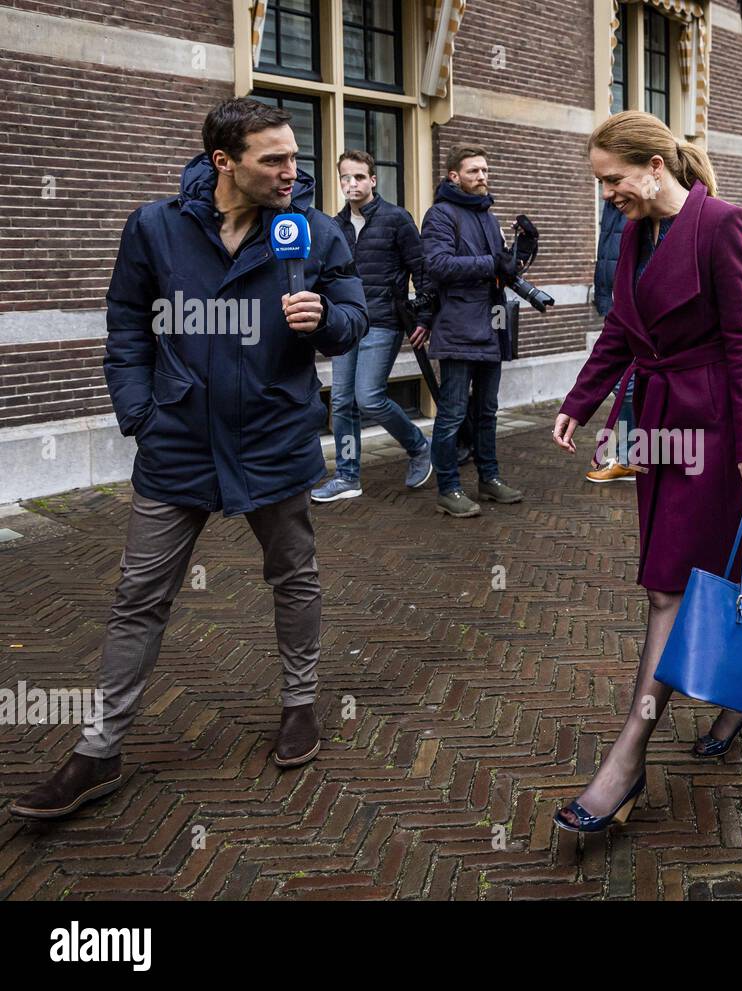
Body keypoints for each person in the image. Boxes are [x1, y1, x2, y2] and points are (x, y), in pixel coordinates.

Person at [10, 98, 367, 820]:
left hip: (274, 437)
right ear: (223, 162)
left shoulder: (315, 232)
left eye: (295, 156)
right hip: (178, 441)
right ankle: (98, 749)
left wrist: (326, 319)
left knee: (294, 577)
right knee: (138, 597)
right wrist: (140, 408)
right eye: (274, 160)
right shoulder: (155, 228)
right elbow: (126, 321)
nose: (292, 172)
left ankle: (300, 703)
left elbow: (356, 316)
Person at [551, 111, 742, 832]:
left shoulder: (723, 224)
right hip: (657, 429)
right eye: (601, 183)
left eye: (613, 179)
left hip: (714, 431)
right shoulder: (634, 231)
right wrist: (581, 400)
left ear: (654, 165)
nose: (607, 193)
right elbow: (623, 325)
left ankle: (629, 753)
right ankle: (741, 695)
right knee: (699, 576)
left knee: (669, 590)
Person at [312, 149, 434, 503]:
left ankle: (418, 446)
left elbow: (422, 269)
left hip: (383, 321)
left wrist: (424, 317)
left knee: (369, 397)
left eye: (359, 177)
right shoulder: (333, 227)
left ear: (373, 180)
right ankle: (348, 476)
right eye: (346, 177)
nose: (352, 184)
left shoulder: (396, 219)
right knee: (342, 400)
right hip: (345, 324)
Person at [420, 145, 523, 518]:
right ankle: (448, 488)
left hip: (492, 325)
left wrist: (520, 255)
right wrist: (491, 262)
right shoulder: (440, 215)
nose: (482, 176)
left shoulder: (488, 216)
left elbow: (501, 270)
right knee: (452, 413)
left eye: (485, 170)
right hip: (459, 326)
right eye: (474, 171)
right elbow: (437, 264)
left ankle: (489, 479)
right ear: (454, 176)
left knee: (487, 411)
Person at [585, 197, 638, 484]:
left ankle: (631, 458)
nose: (607, 189)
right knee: (626, 386)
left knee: (627, 385)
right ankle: (631, 455)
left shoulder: (638, 197)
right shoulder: (613, 200)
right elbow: (608, 247)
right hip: (615, 302)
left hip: (630, 304)